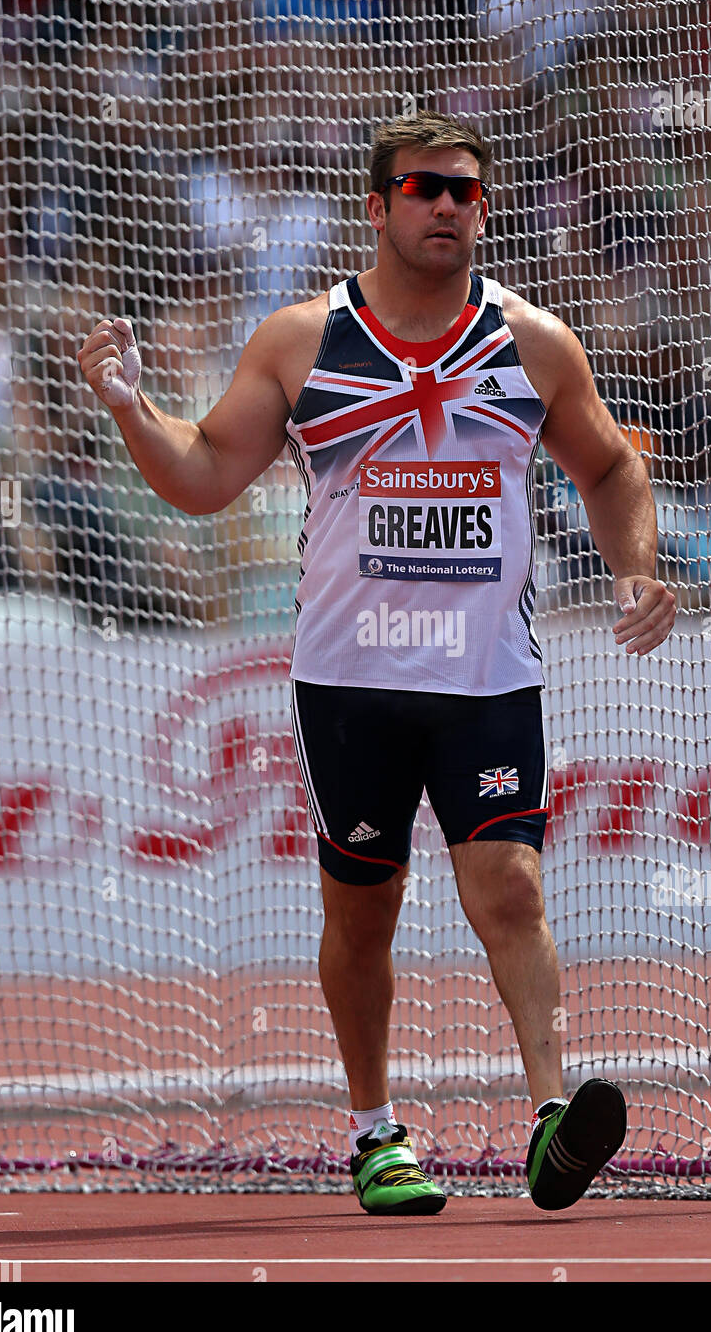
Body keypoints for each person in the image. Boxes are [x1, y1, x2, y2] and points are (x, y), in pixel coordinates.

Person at [77, 111, 676, 1215]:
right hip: (349, 678)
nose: (448, 206)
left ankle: (551, 1119)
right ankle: (373, 1131)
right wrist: (129, 407)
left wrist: (633, 569)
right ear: (378, 205)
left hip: (487, 674)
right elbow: (206, 475)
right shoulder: (301, 340)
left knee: (509, 883)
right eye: (424, 188)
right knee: (364, 911)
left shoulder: (531, 341)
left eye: (465, 192)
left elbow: (608, 469)